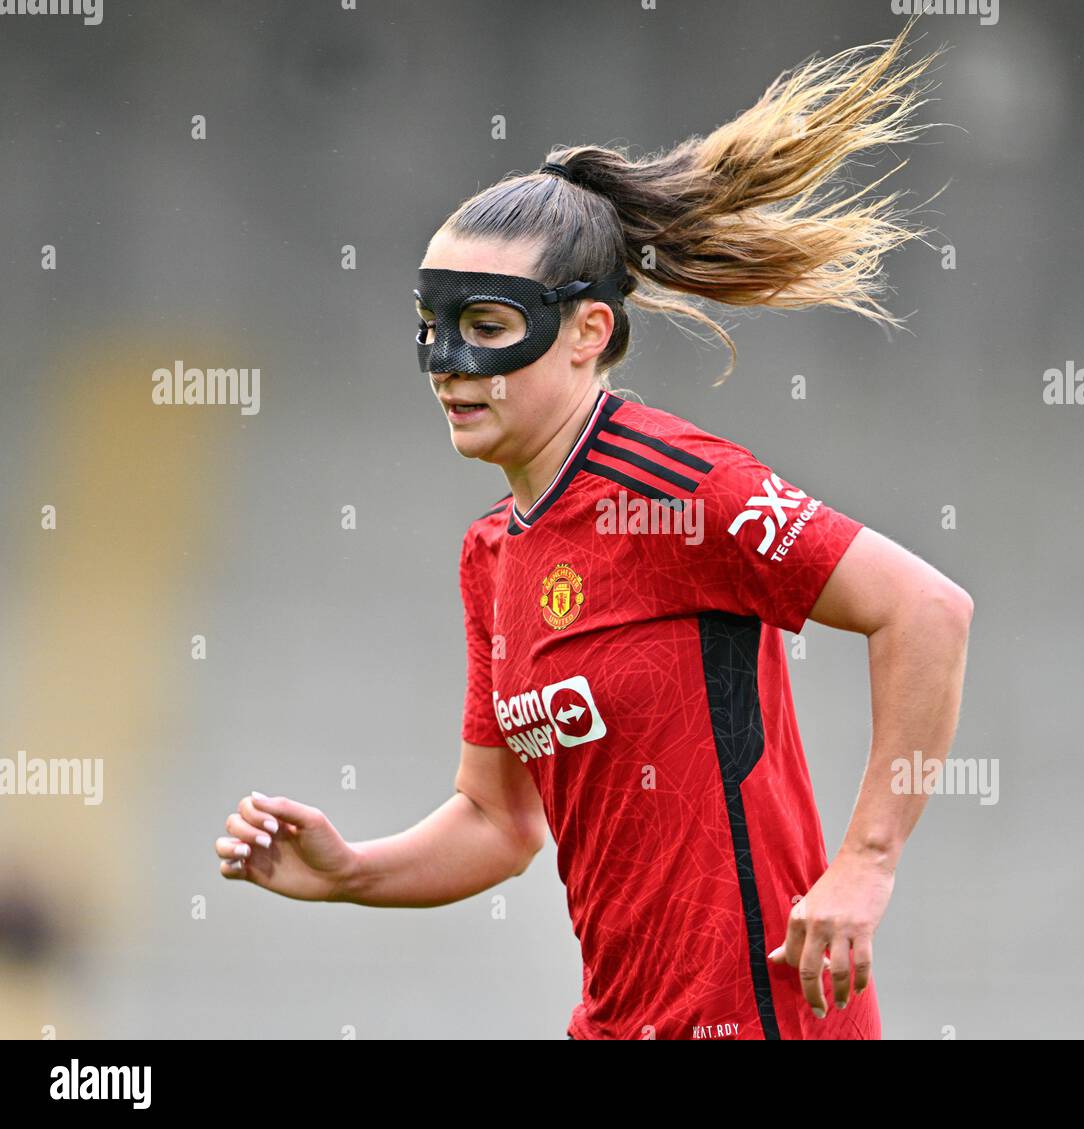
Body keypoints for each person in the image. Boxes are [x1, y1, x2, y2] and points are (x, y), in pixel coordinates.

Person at [213, 19, 972, 1040]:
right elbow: (498, 820)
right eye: (433, 329)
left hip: (761, 1019)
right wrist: (352, 870)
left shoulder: (674, 485)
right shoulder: (493, 554)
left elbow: (925, 609)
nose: (449, 362)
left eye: (485, 328)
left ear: (587, 333)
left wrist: (865, 862)